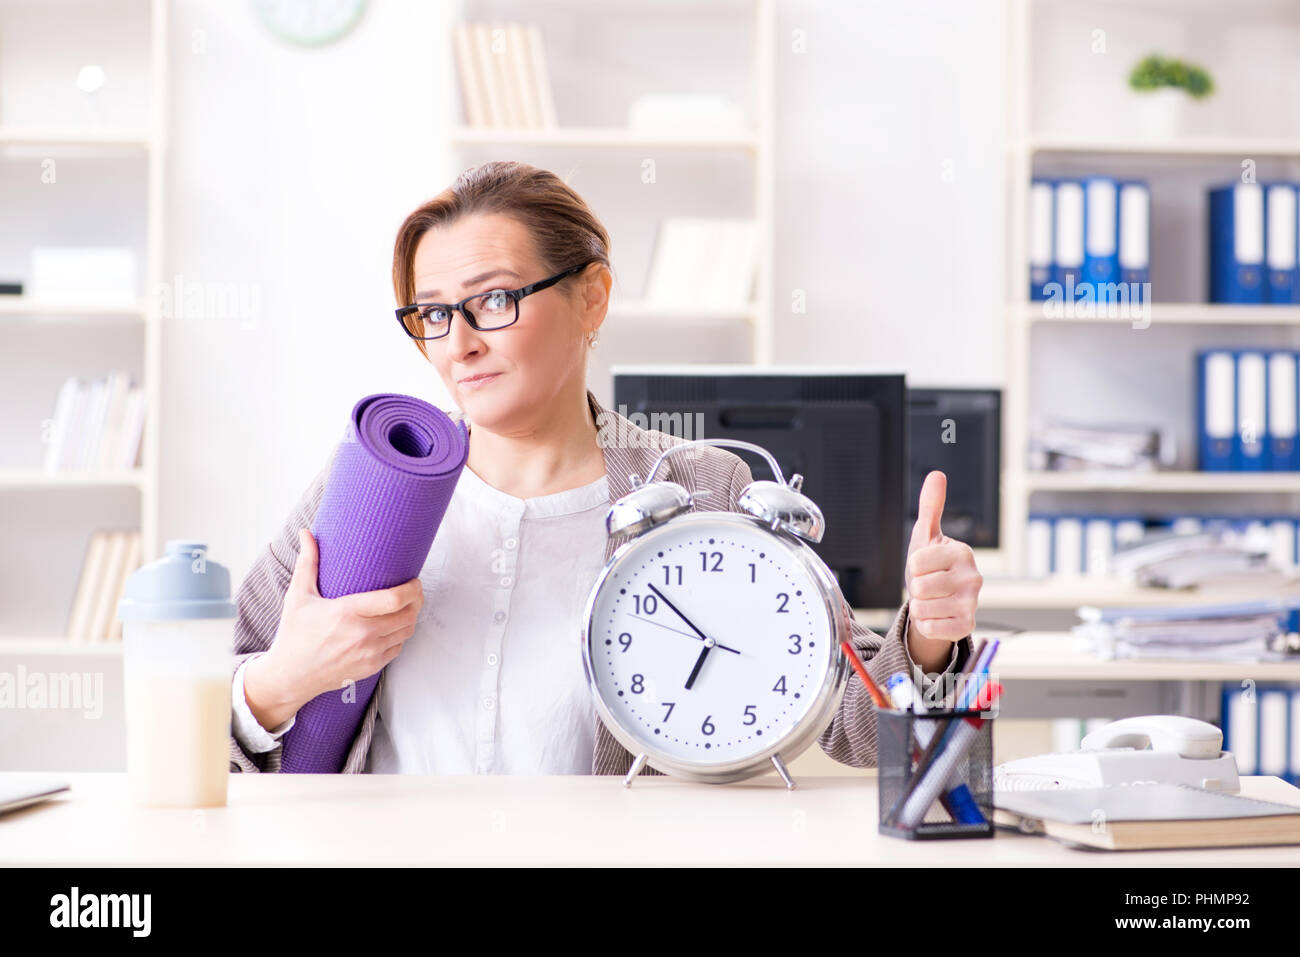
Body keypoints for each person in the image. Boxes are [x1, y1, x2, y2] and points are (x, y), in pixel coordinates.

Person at [229, 160, 983, 775]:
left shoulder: (701, 488)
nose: (457, 344)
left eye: (493, 299)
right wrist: (283, 679)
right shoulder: (372, 488)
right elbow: (200, 723)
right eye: (432, 313)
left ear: (592, 299)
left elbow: (853, 726)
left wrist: (930, 638)